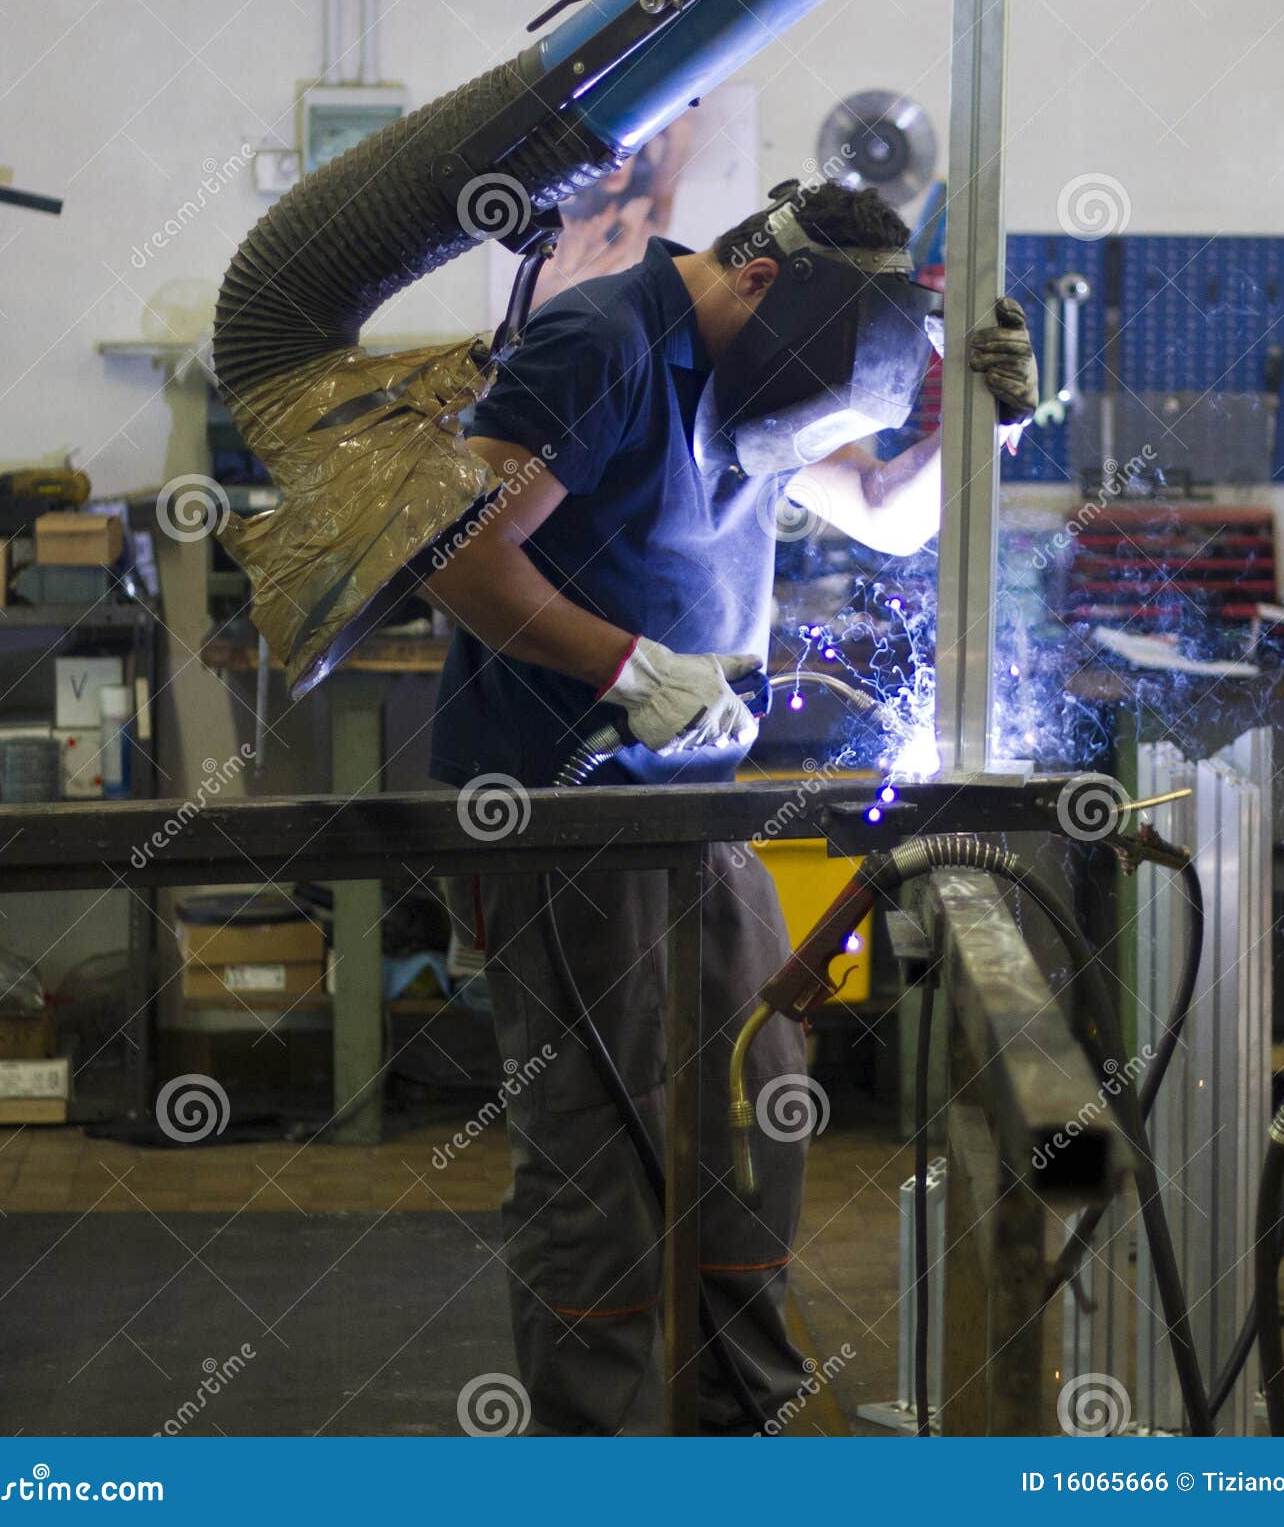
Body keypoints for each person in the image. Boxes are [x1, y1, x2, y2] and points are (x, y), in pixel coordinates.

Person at [425, 182, 1035, 1435]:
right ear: (758, 281)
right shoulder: (605, 343)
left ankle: (733, 1432)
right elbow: (458, 550)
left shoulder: (762, 367)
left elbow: (880, 513)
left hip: (691, 812)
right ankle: (591, 1461)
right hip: (557, 818)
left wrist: (983, 429)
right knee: (600, 1171)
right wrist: (627, 667)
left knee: (756, 1114)